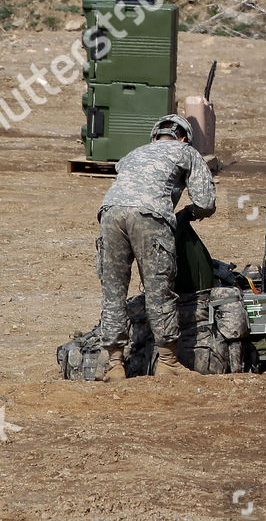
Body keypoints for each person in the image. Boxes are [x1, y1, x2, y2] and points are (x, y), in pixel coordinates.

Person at [96, 114, 216, 380]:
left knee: (113, 291)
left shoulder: (134, 153)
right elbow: (206, 202)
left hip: (110, 213)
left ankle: (114, 364)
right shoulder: (186, 152)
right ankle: (168, 362)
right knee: (158, 289)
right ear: (183, 137)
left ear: (154, 137)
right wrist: (189, 213)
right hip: (150, 217)